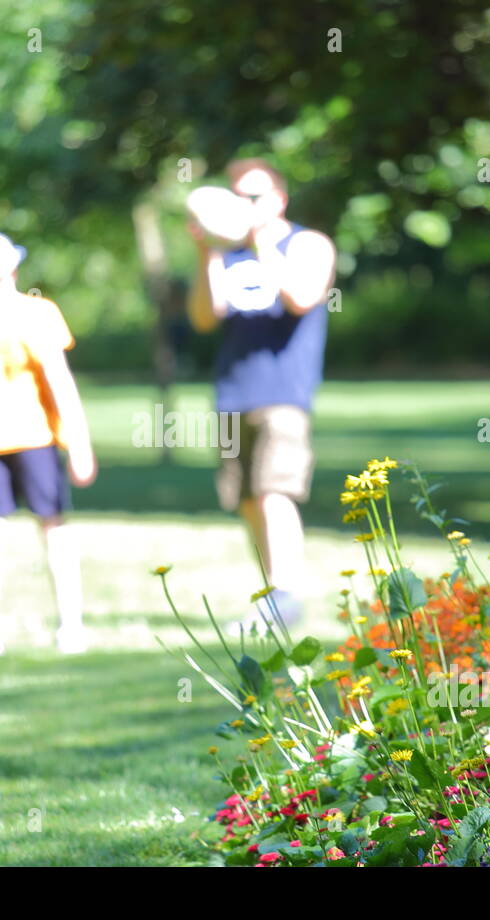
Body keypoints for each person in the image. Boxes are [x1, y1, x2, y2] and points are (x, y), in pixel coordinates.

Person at [187, 159, 336, 629]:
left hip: (283, 392)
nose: (243, 206)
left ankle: (286, 596)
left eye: (253, 197)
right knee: (247, 499)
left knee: (275, 490)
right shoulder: (228, 255)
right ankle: (272, 596)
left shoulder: (306, 244)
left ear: (279, 199)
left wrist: (262, 246)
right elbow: (204, 318)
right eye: (237, 197)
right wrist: (207, 252)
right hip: (233, 392)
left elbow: (303, 297)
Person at [0, 230, 97, 657]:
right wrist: (81, 445)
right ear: (13, 267)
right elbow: (60, 382)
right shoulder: (39, 312)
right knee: (54, 529)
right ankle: (71, 627)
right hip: (38, 439)